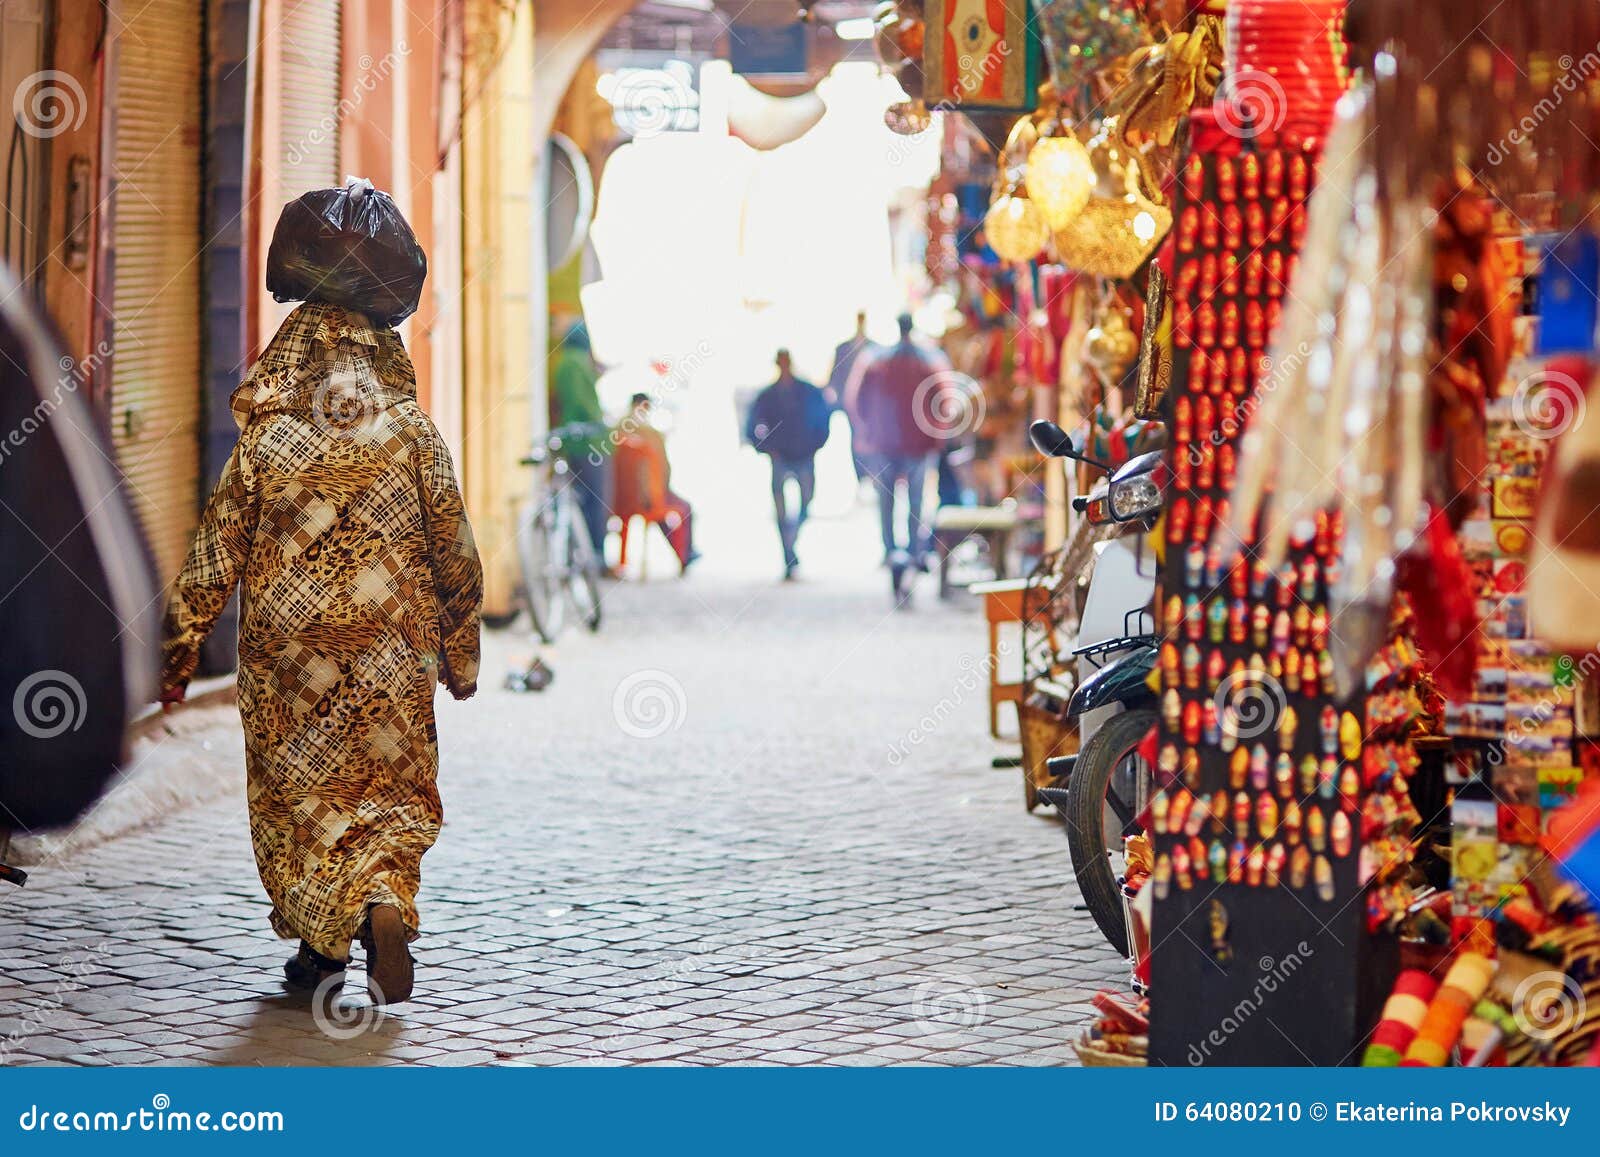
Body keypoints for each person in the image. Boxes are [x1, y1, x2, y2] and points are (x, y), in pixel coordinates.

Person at [161, 302, 484, 1007]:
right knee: (387, 792)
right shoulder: (413, 437)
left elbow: (215, 555)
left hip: (291, 666)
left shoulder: (267, 443)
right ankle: (380, 897)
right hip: (392, 655)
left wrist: (176, 651)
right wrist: (461, 654)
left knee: (306, 803)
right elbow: (456, 555)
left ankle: (323, 946)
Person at [847, 313, 953, 570]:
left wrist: (866, 430)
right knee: (914, 500)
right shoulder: (929, 361)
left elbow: (856, 399)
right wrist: (936, 434)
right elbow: (944, 401)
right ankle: (914, 553)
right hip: (916, 442)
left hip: (885, 442)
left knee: (886, 499)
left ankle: (891, 550)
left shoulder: (877, 361)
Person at [745, 349, 831, 579]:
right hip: (780, 457)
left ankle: (792, 541)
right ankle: (788, 553)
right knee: (781, 511)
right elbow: (752, 425)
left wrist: (815, 444)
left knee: (806, 503)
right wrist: (766, 448)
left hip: (804, 456)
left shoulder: (807, 391)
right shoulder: (768, 395)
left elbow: (823, 418)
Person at [611, 393, 699, 575]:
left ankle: (684, 554)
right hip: (648, 495)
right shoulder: (650, 434)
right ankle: (685, 555)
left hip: (628, 497)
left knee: (667, 512)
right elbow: (662, 469)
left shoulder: (619, 430)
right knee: (684, 509)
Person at [550, 321, 612, 570]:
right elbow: (582, 403)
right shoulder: (575, 363)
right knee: (595, 502)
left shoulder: (564, 361)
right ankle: (595, 557)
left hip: (576, 441)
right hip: (588, 443)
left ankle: (583, 556)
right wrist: (599, 424)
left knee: (582, 500)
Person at [825, 310, 875, 482]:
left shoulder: (873, 347)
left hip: (870, 404)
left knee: (871, 437)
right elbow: (835, 374)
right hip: (850, 403)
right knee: (855, 437)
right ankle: (861, 475)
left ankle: (870, 473)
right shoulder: (843, 348)